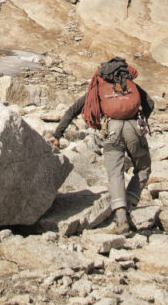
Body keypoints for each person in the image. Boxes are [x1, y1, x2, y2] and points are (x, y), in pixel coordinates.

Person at [50, 56, 154, 233]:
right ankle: (129, 204)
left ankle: (121, 219)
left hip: (111, 129)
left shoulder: (99, 85)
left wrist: (57, 135)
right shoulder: (129, 84)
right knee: (143, 168)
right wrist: (140, 120)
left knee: (116, 174)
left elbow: (74, 109)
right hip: (134, 129)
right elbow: (150, 103)